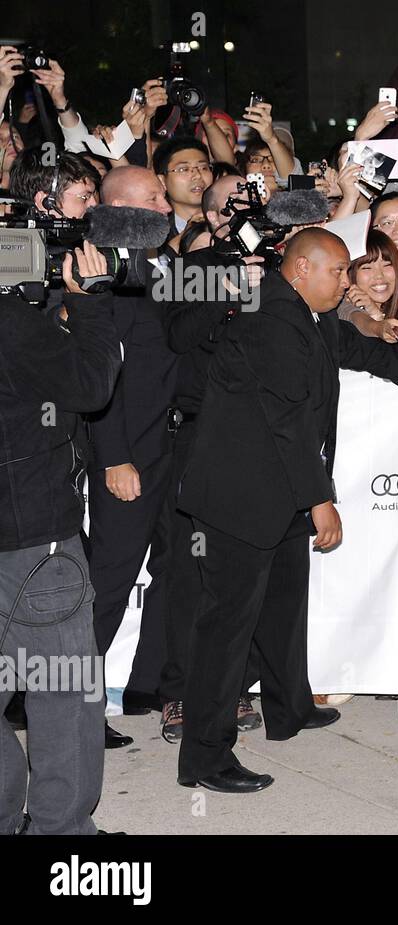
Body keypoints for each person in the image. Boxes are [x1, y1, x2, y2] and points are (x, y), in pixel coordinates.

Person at [175, 228, 398, 793]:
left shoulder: (304, 313)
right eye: (339, 273)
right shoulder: (269, 319)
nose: (348, 283)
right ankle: (204, 757)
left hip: (274, 492)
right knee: (227, 628)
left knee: (285, 603)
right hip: (238, 497)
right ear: (300, 271)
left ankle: (288, 708)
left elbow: (349, 345)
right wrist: (322, 502)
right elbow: (288, 423)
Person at [0, 244, 121, 834]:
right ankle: (63, 837)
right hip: (32, 540)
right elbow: (91, 386)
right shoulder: (11, 321)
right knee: (65, 694)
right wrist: (89, 302)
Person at [155, 172, 267, 744]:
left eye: (252, 205)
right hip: (195, 436)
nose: (243, 216)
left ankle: (238, 685)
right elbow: (177, 338)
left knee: (243, 568)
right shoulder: (190, 272)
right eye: (233, 207)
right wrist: (225, 291)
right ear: (212, 216)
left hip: (255, 439)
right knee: (186, 571)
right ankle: (179, 693)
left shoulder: (275, 268)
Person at [83, 166, 176, 745]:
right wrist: (114, 456)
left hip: (169, 445)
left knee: (174, 570)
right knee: (110, 579)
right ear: (121, 206)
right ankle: (63, 704)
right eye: (155, 195)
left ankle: (149, 684)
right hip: (128, 452)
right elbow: (101, 374)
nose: (167, 201)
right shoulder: (105, 273)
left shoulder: (160, 263)